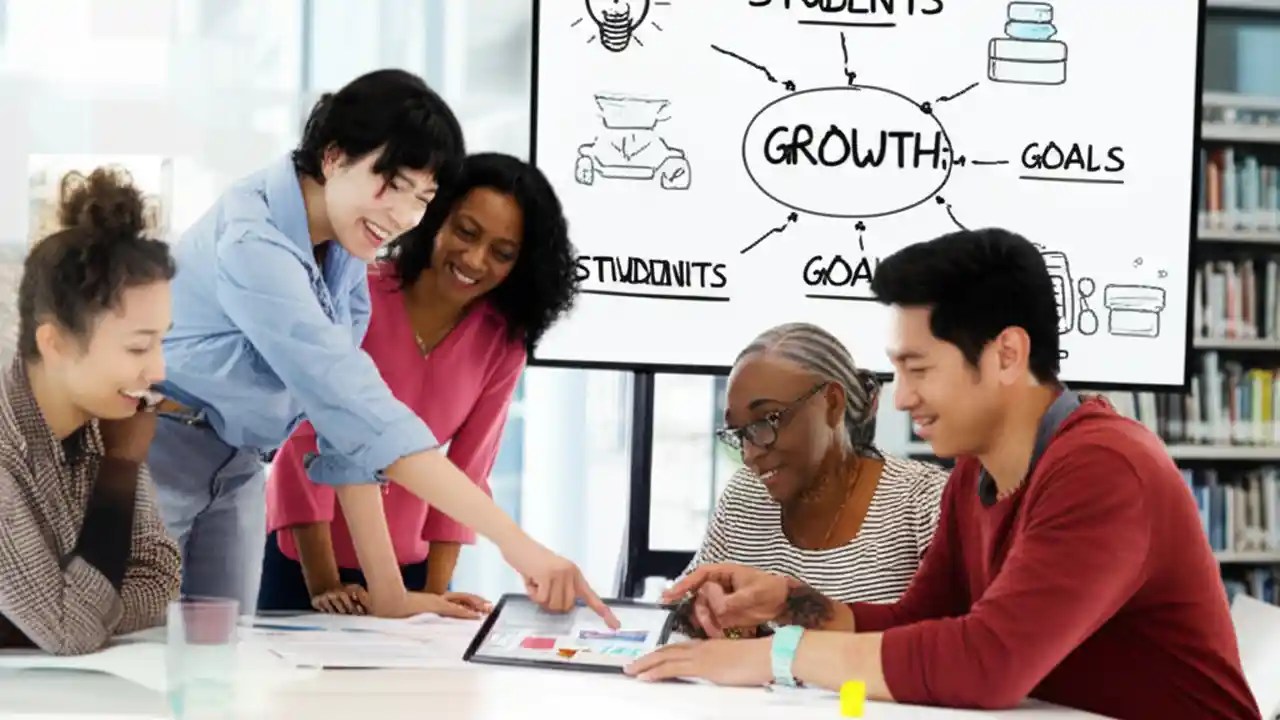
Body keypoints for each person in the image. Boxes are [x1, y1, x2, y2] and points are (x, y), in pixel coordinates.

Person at [626, 228, 1262, 720]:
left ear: (1007, 355)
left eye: (920, 369)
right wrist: (792, 604)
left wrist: (775, 656)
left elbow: (988, 663)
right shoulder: (973, 474)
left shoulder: (1104, 470)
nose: (901, 398)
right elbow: (922, 623)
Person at [149, 68, 616, 626]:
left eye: (423, 198)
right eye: (392, 184)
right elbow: (358, 408)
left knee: (216, 659)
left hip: (238, 464)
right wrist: (520, 547)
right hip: (158, 446)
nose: (403, 216)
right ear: (333, 156)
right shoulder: (256, 243)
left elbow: (346, 433)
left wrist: (390, 594)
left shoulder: (344, 247)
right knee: (133, 653)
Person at [258, 152, 578, 618]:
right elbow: (303, 444)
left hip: (412, 570)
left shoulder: (503, 343)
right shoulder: (357, 294)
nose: (475, 259)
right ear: (435, 216)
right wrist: (324, 583)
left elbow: (469, 470)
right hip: (305, 565)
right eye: (466, 232)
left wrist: (436, 592)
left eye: (502, 253)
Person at [0, 167, 182, 655]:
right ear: (55, 342)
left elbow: (160, 578)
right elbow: (70, 632)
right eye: (138, 347)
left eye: (162, 342)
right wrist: (120, 468)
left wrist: (33, 621)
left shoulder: (103, 423)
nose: (158, 371)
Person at [673, 322, 947, 638]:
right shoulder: (745, 494)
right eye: (740, 432)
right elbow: (678, 604)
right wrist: (696, 609)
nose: (749, 454)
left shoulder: (923, 502)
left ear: (832, 404)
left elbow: (947, 640)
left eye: (767, 420)